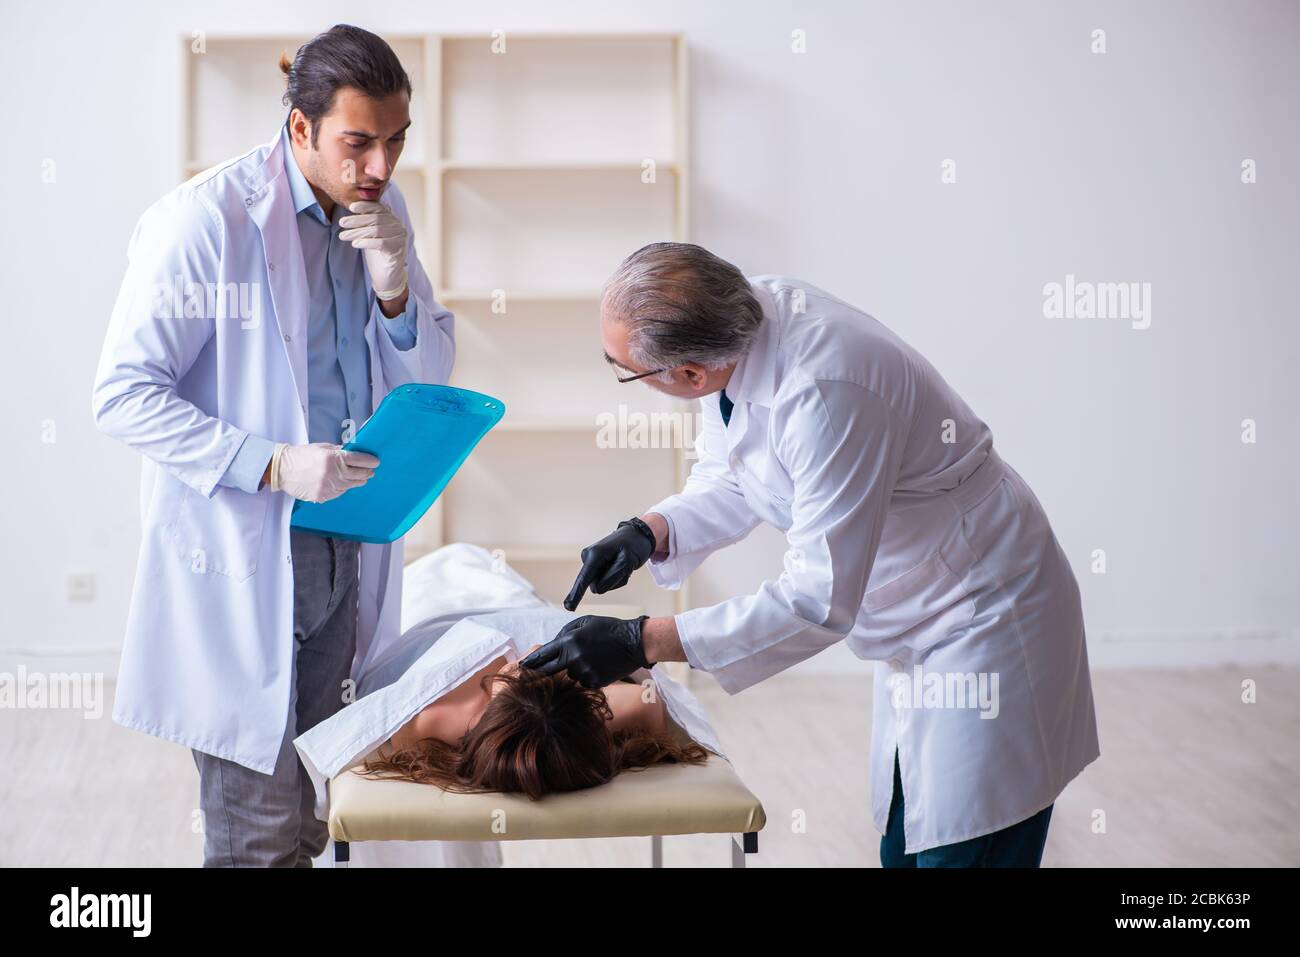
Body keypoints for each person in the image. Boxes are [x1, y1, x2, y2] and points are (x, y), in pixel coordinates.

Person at [523, 242, 1100, 867]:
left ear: (691, 373)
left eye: (623, 368)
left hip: (984, 610)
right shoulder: (737, 325)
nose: (620, 374)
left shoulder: (826, 390)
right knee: (910, 841)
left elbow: (816, 599)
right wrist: (650, 530)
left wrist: (643, 640)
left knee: (965, 843)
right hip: (923, 604)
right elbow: (735, 473)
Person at [90, 24, 454, 866]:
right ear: (300, 128)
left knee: (313, 817)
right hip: (244, 555)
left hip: (346, 547)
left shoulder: (380, 211)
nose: (380, 169)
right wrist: (272, 462)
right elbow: (123, 395)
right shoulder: (203, 222)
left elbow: (427, 371)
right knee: (256, 835)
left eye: (395, 143)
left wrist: (397, 291)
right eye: (358, 143)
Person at [361, 644, 709, 800]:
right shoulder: (624, 708)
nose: (535, 649)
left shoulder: (432, 720)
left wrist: (503, 684)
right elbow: (649, 704)